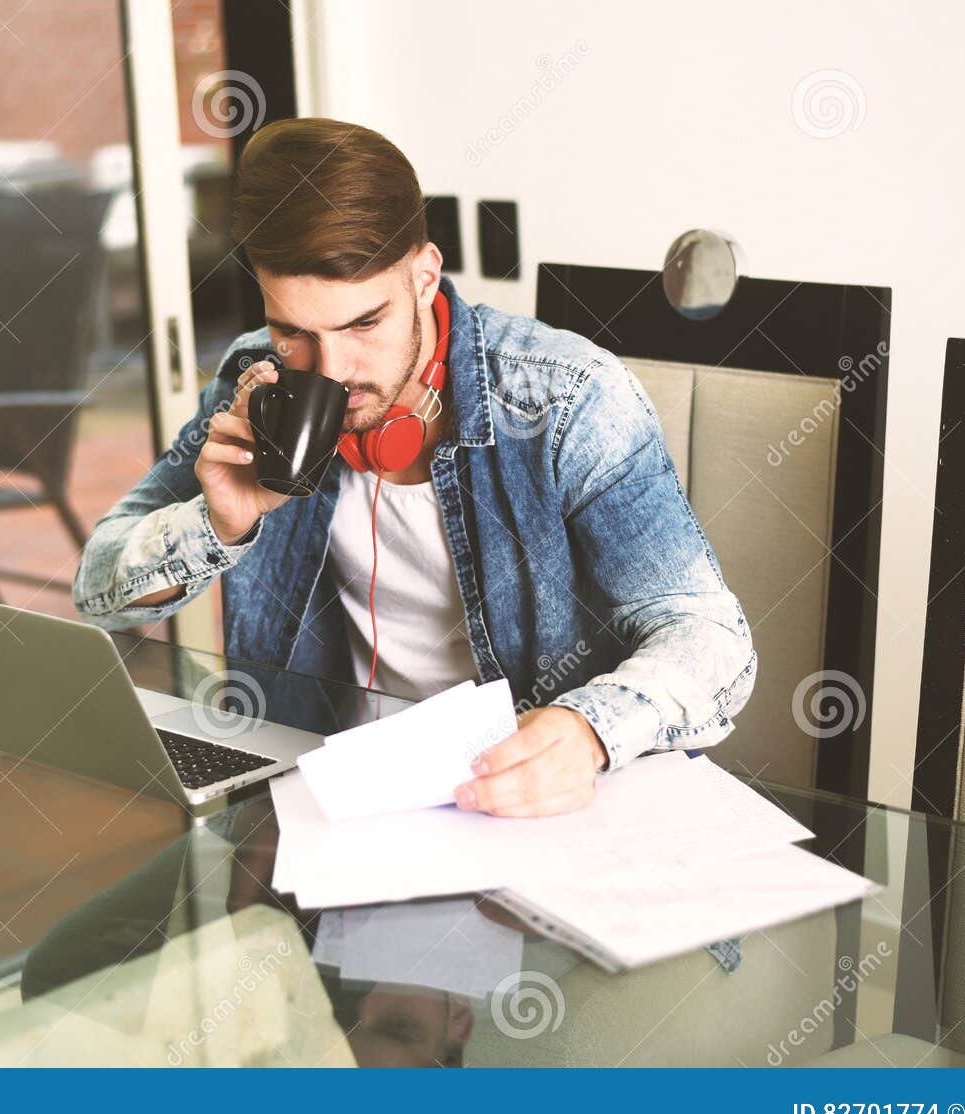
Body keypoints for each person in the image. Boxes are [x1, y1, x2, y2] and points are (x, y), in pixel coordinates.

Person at [75, 117, 756, 817]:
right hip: (338, 804)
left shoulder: (570, 398)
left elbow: (711, 636)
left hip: (524, 807)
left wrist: (587, 730)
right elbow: (99, 588)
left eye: (363, 324)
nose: (332, 372)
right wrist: (214, 523)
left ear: (424, 273)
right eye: (294, 332)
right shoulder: (257, 381)